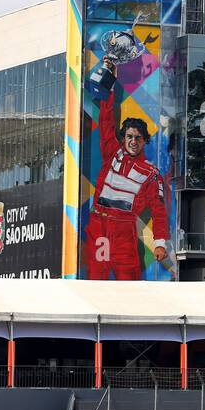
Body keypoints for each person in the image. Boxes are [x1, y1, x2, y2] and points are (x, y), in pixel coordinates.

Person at [84, 59, 170, 279]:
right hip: (99, 223)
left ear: (144, 142)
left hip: (124, 229)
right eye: (129, 137)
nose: (133, 141)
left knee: (129, 284)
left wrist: (160, 243)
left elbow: (159, 211)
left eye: (138, 138)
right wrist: (110, 80)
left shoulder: (151, 174)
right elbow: (106, 120)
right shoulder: (113, 152)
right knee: (95, 282)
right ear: (123, 138)